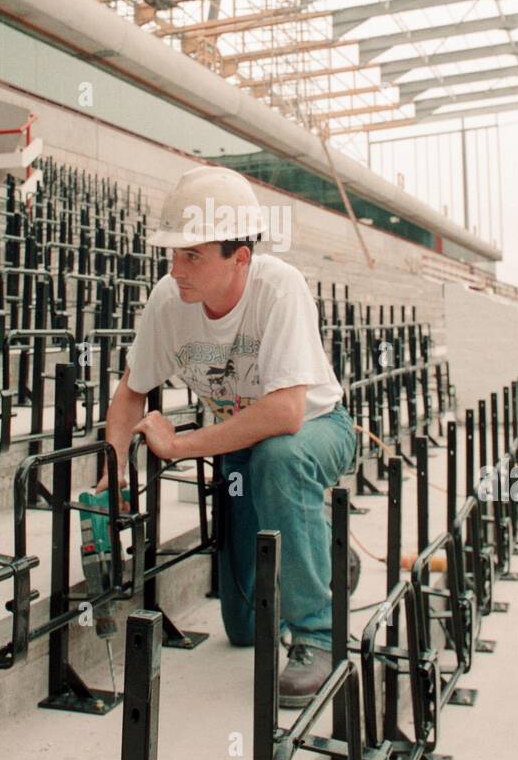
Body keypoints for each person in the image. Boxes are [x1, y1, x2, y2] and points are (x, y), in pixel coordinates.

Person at [93, 165, 356, 706]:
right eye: (173, 253)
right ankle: (328, 553)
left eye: (193, 255)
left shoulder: (279, 289)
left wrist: (179, 445)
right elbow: (130, 391)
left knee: (279, 461)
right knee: (243, 625)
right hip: (241, 444)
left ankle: (319, 636)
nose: (176, 268)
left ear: (240, 257)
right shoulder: (169, 301)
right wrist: (114, 467)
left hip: (317, 430)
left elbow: (284, 413)